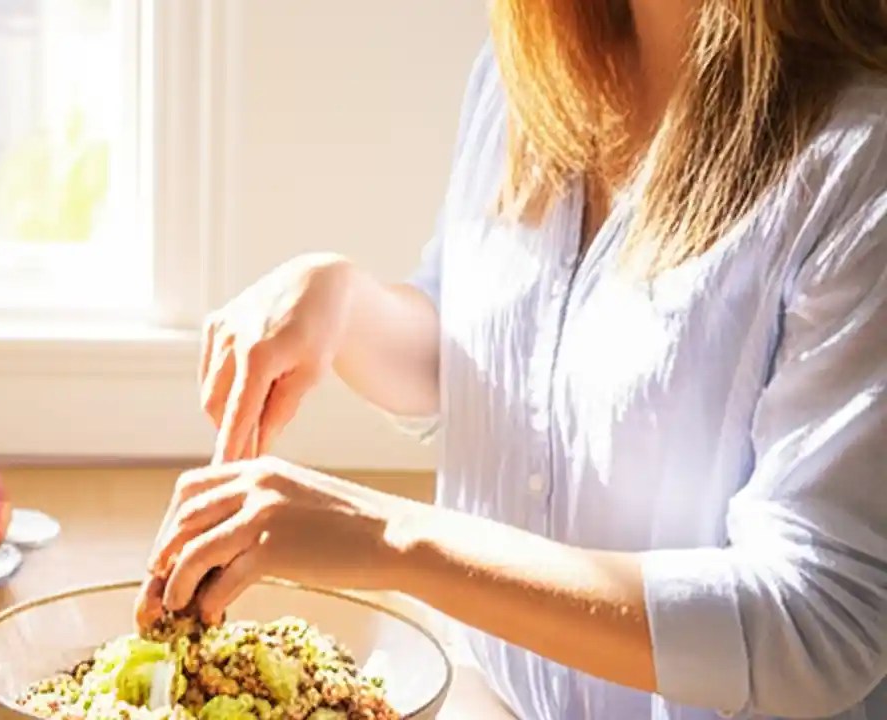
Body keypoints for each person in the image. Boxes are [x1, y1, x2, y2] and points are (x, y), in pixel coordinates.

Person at [136, 1, 887, 718]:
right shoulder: (522, 76)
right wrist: (345, 303)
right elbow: (488, 362)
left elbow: (819, 624)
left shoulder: (860, 159)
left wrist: (389, 541)